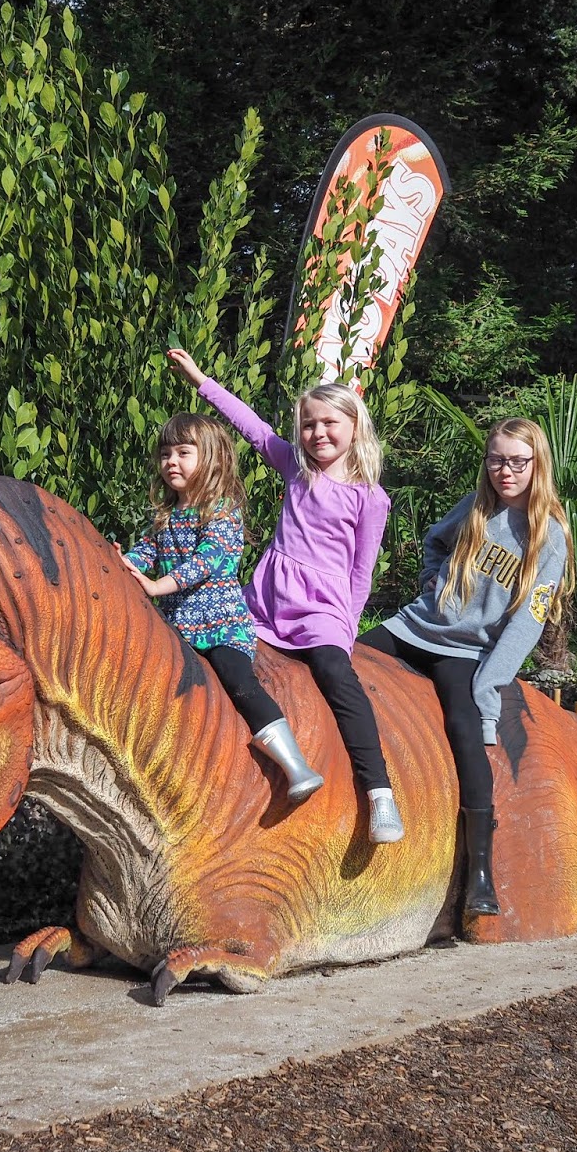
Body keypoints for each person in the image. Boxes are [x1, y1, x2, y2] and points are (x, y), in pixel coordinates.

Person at [167, 347, 401, 843]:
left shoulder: (369, 497)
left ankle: (379, 791)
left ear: (354, 426)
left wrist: (348, 626)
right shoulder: (296, 469)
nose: (318, 433)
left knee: (337, 676)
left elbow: (362, 570)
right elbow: (252, 427)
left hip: (321, 609)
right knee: (218, 657)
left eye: (328, 423)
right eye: (309, 424)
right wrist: (201, 381)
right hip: (267, 601)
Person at [358, 417, 575, 918]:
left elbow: (528, 621)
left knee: (466, 733)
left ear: (537, 464)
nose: (506, 470)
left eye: (518, 461)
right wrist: (433, 585)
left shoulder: (549, 537)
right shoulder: (478, 507)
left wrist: (490, 684)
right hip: (414, 628)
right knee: (343, 666)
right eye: (497, 459)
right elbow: (434, 541)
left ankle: (480, 871)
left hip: (465, 653)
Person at [120, 412, 324, 803]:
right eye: (165, 454)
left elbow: (207, 561)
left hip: (220, 626)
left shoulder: (222, 512)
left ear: (211, 459)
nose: (171, 462)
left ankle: (295, 764)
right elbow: (146, 551)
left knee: (239, 681)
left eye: (183, 452)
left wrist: (156, 586)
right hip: (178, 629)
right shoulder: (165, 516)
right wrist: (120, 563)